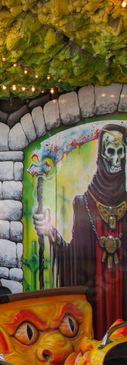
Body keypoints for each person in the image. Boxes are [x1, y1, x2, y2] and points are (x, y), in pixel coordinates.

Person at [33, 124, 127, 337]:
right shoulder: (82, 203)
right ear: (100, 157)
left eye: (121, 152)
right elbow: (74, 257)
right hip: (96, 291)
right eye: (111, 152)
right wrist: (51, 234)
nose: (117, 160)